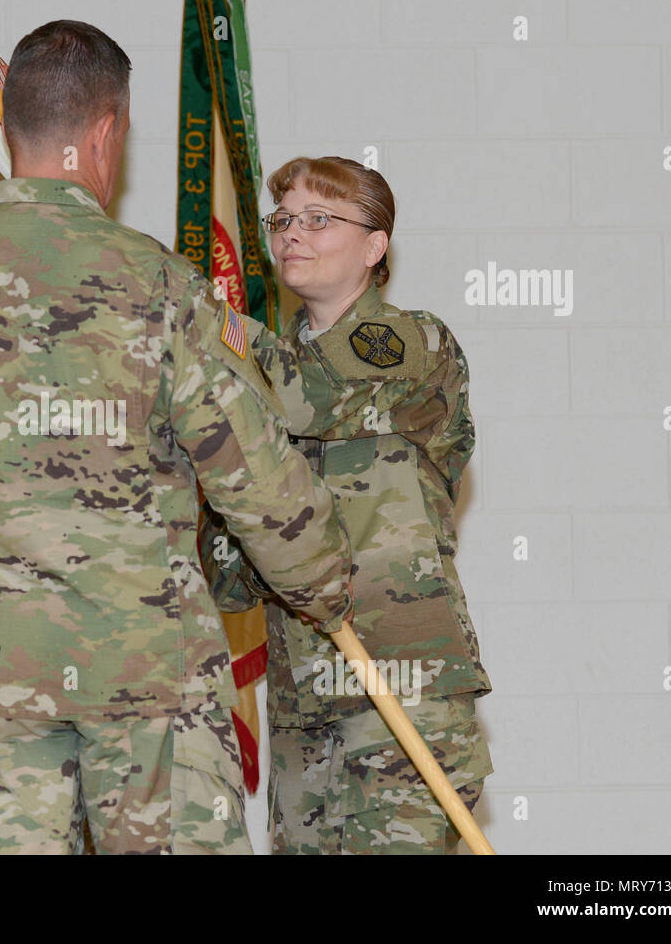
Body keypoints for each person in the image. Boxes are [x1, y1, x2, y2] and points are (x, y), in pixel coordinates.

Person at [0, 21, 355, 854]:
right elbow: (251, 475)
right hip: (145, 676)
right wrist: (326, 582)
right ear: (105, 133)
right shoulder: (159, 282)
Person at [210, 156, 492, 853]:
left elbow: (306, 394)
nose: (290, 236)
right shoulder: (256, 378)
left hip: (401, 675)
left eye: (318, 219)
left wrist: (203, 324)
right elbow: (230, 575)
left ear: (374, 246)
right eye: (281, 221)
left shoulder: (407, 342)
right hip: (306, 693)